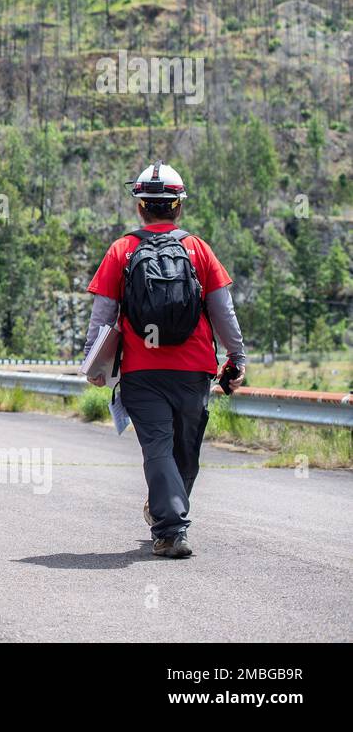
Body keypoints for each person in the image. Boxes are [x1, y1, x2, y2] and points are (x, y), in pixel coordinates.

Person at [83, 161, 246, 558]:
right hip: (193, 371)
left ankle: (169, 526)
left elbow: (103, 315)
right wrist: (236, 357)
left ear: (140, 207)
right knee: (186, 451)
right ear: (178, 206)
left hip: (142, 371)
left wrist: (95, 364)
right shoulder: (197, 249)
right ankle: (171, 521)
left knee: (158, 447)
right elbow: (223, 311)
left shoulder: (123, 249)